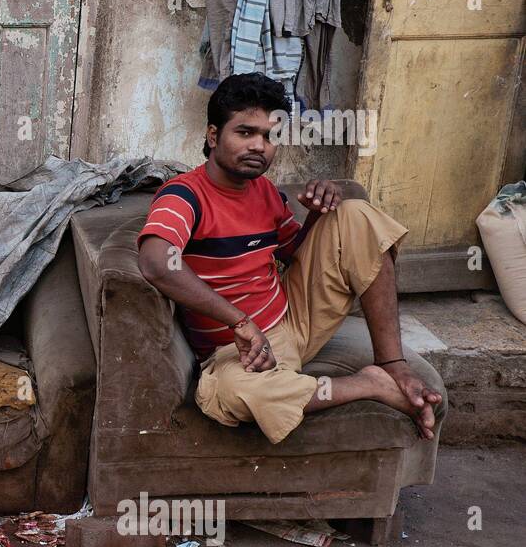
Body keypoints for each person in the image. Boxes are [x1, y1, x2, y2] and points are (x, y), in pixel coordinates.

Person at [137, 73, 442, 446]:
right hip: (239, 350)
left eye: (269, 136)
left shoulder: (264, 191)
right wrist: (240, 322)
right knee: (230, 395)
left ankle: (392, 365)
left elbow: (293, 254)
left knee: (355, 214)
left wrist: (318, 212)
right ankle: (368, 384)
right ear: (213, 136)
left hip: (295, 321)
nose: (259, 146)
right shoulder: (184, 195)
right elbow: (155, 262)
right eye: (245, 133)